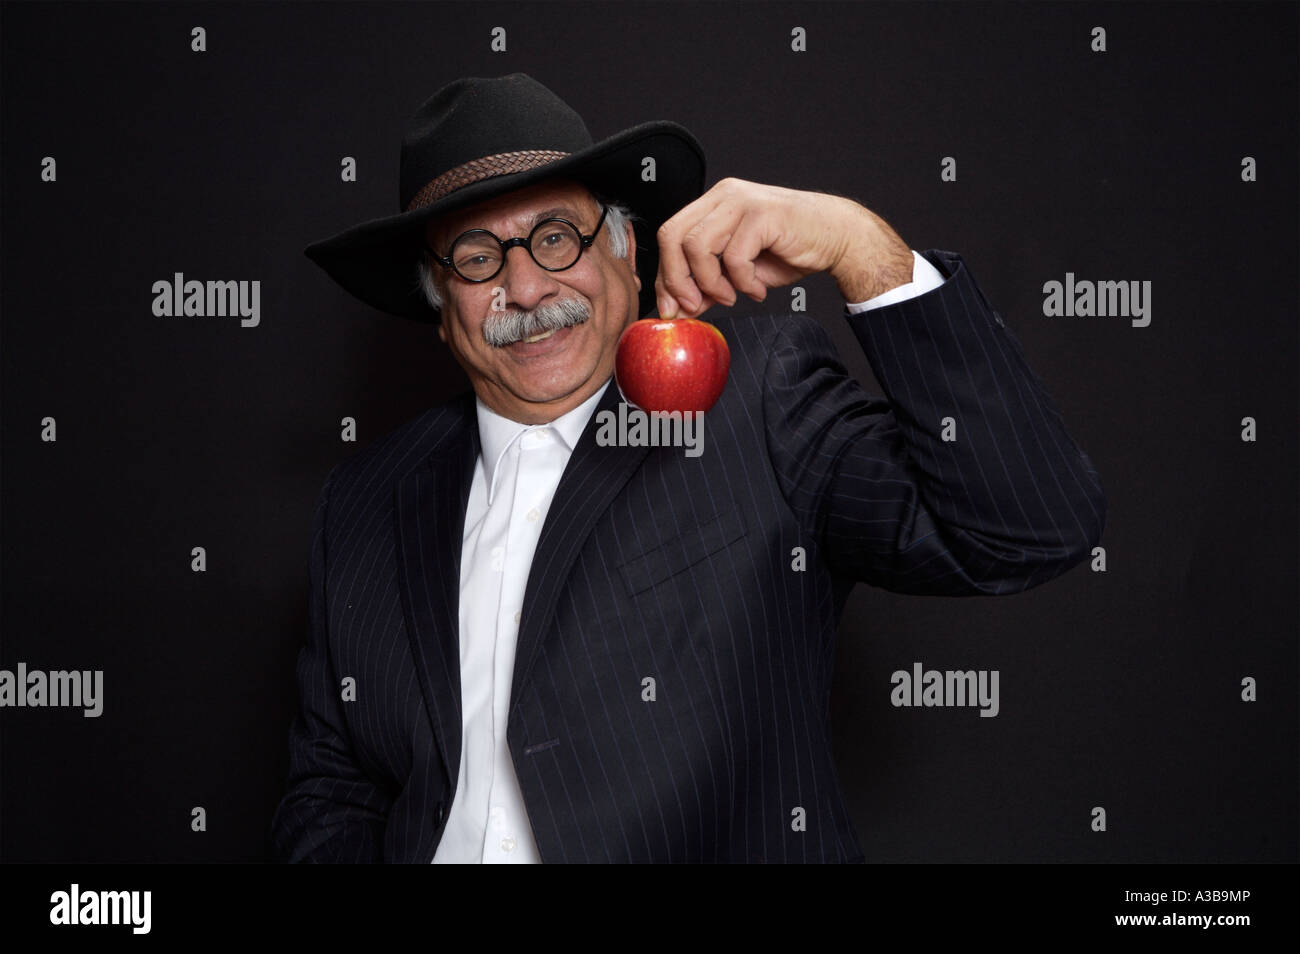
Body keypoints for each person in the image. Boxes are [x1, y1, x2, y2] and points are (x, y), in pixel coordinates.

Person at [271, 72, 1106, 863]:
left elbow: (1026, 529)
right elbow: (332, 785)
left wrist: (860, 246)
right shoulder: (364, 499)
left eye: (556, 237)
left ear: (626, 254)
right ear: (440, 310)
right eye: (478, 257)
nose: (524, 287)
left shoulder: (759, 401)